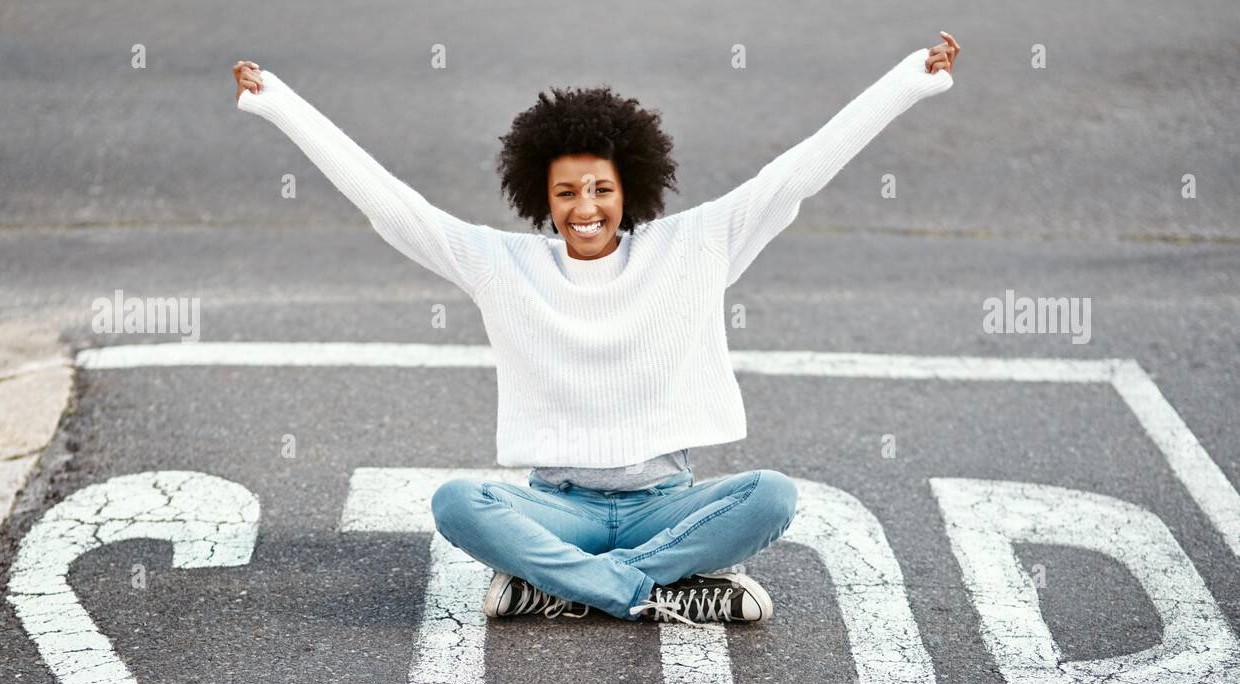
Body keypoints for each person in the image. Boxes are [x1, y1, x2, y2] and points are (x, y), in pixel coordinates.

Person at [231, 32, 961, 627]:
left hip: (667, 504)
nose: (586, 207)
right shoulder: (503, 263)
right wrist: (280, 105)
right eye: (567, 192)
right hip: (559, 509)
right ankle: (656, 589)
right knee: (458, 503)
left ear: (629, 189)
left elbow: (798, 172)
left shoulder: (695, 245)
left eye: (602, 189)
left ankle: (563, 589)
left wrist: (908, 81)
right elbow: (392, 207)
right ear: (541, 198)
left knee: (771, 496)